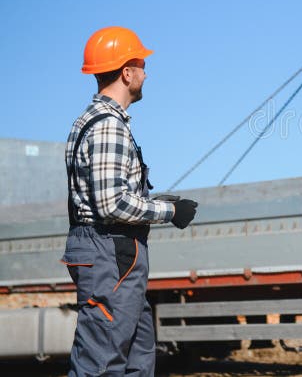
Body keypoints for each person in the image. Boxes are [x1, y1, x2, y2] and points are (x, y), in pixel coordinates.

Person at [62, 26, 198, 376]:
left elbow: (107, 195)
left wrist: (150, 201)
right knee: (103, 363)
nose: (146, 72)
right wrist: (168, 211)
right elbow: (111, 204)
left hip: (113, 252)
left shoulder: (89, 122)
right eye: (141, 64)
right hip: (111, 252)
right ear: (126, 72)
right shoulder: (109, 126)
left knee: (137, 359)